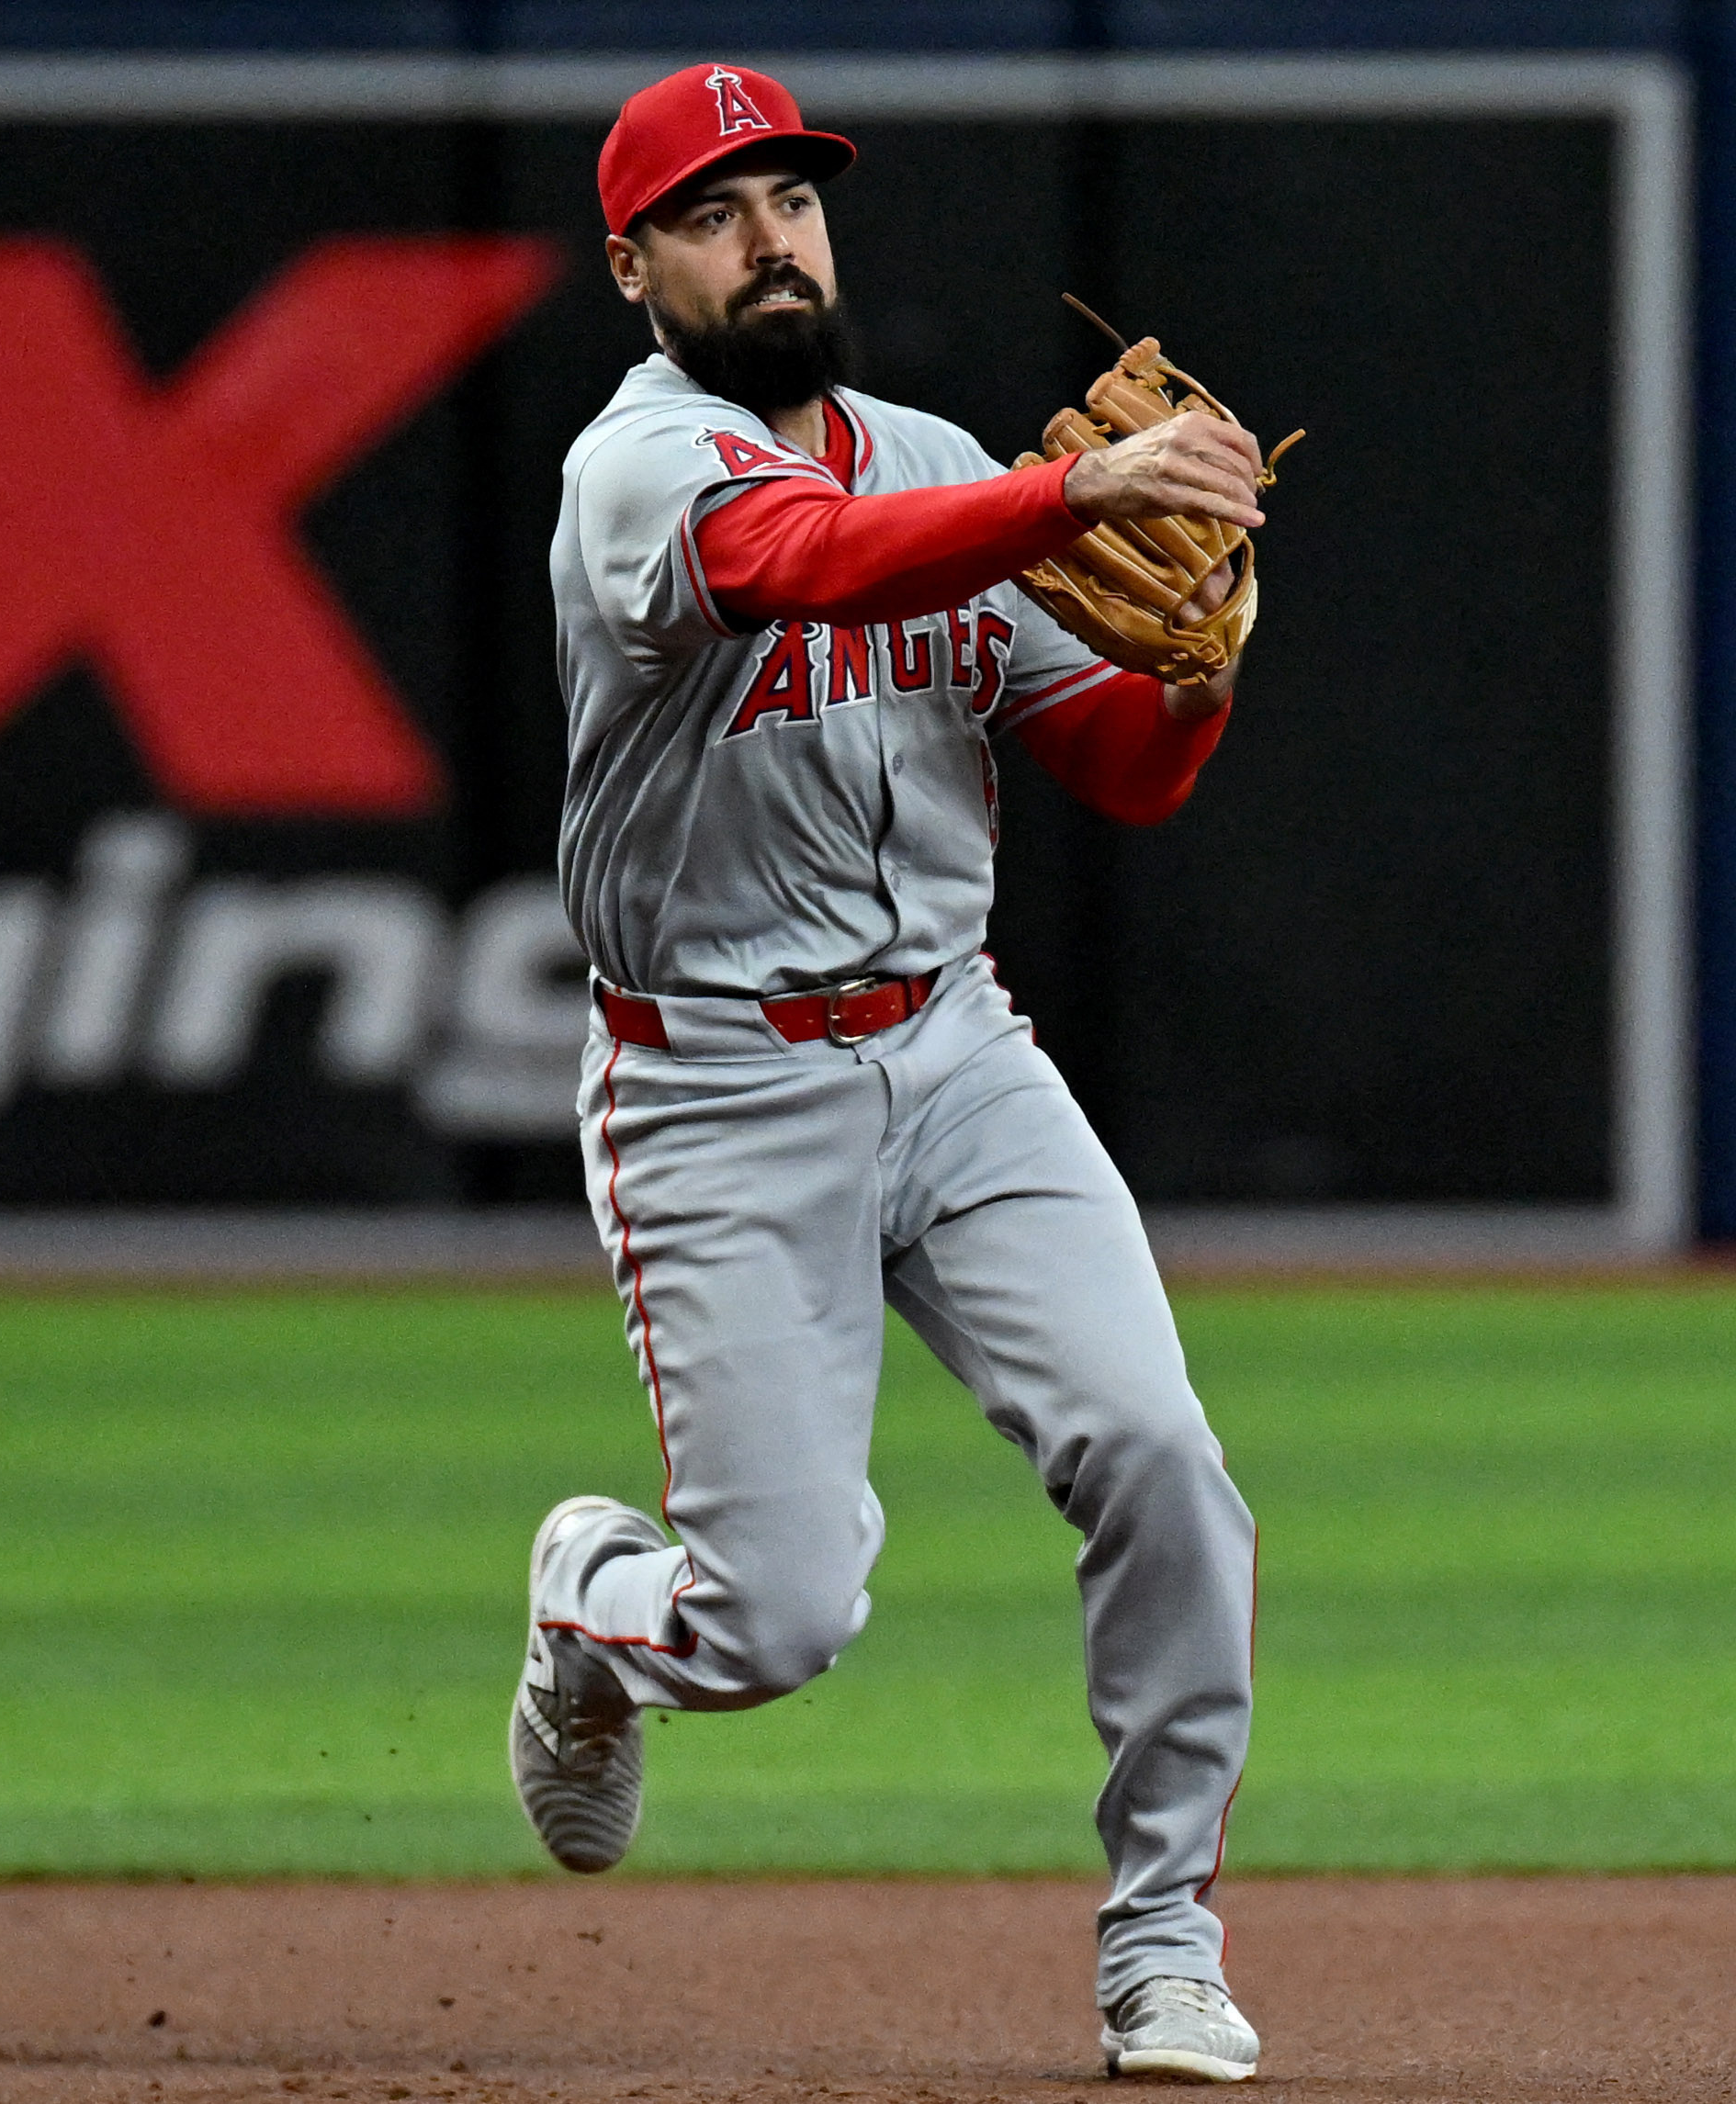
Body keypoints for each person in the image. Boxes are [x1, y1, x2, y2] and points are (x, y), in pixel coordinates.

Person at [512, 61, 1269, 2086]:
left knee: (1163, 1459)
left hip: (955, 1050)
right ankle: (595, 1608)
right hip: (718, 1094)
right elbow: (799, 567)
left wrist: (1191, 668)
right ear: (635, 265)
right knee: (777, 1626)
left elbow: (1110, 760)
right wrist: (1079, 497)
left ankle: (1163, 1938)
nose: (772, 241)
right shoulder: (642, 472)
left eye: (796, 202)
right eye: (714, 212)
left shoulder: (929, 455)